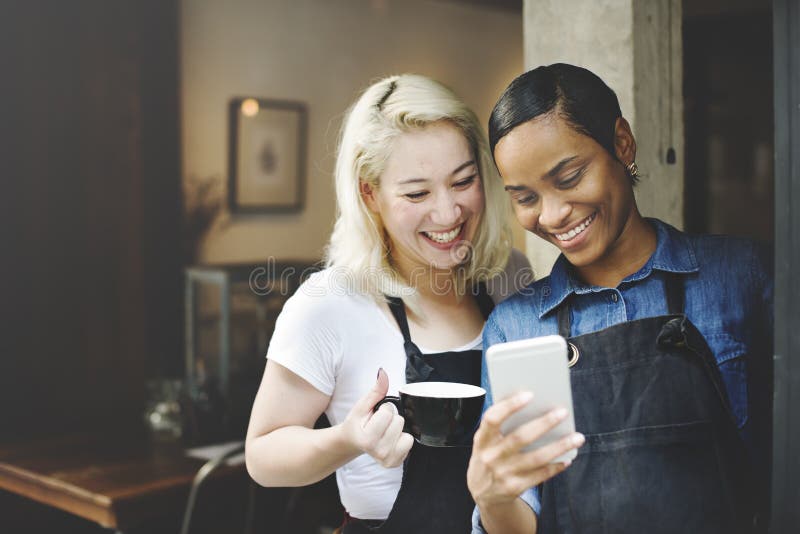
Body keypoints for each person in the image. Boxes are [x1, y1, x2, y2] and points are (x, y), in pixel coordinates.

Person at [467, 63, 773, 534]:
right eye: (525, 197)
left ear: (622, 143)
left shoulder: (744, 277)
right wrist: (492, 495)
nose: (552, 214)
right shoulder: (515, 329)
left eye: (568, 178)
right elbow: (520, 522)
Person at [245, 74, 531, 534]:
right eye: (417, 193)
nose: (448, 214)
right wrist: (348, 439)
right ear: (370, 194)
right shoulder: (329, 304)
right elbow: (262, 456)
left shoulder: (508, 276)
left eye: (463, 181)